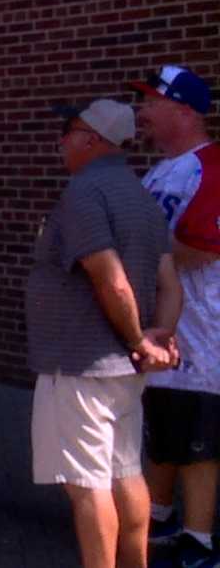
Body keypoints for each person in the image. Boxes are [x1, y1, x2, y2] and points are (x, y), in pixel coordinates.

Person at [28, 98, 183, 568]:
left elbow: (109, 277)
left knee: (86, 486)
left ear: (91, 139)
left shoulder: (84, 194)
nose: (61, 141)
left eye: (68, 131)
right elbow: (170, 283)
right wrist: (158, 338)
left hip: (83, 364)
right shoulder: (141, 197)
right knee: (126, 472)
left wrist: (139, 340)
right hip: (124, 370)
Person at [131, 66, 220, 566]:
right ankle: (159, 514)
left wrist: (136, 254)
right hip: (165, 328)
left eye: (152, 102)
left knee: (199, 440)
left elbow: (204, 246)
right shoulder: (158, 171)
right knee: (162, 427)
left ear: (184, 111)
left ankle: (199, 538)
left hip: (205, 334)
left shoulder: (211, 165)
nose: (142, 112)